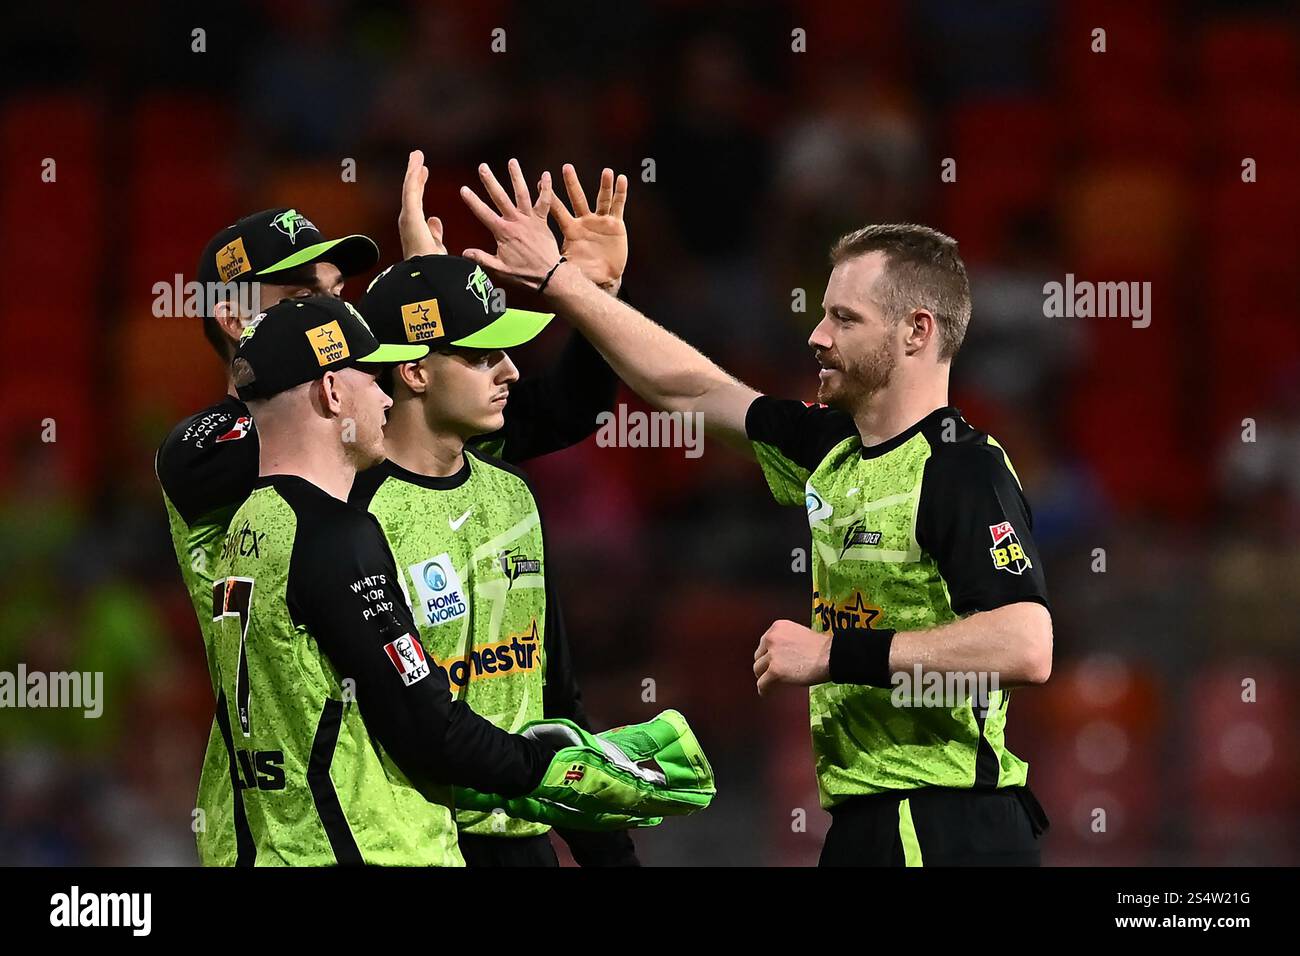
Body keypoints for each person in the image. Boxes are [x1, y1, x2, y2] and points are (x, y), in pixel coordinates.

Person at [457, 159, 1055, 866]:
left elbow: (1026, 644)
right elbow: (688, 390)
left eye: (845, 318)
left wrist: (834, 654)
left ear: (917, 331)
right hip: (871, 822)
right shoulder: (832, 445)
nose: (817, 337)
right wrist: (579, 290)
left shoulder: (960, 466)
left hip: (944, 823)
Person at [156, 152, 620, 865]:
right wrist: (418, 330)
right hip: (291, 822)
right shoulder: (209, 453)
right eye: (305, 294)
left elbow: (547, 411)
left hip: (412, 819)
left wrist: (590, 298)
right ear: (233, 317)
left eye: (339, 288)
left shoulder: (376, 448)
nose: (336, 307)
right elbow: (301, 423)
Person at [212, 295, 662, 865]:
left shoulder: (246, 525)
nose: (383, 397)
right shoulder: (338, 535)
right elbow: (428, 723)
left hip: (277, 843)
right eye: (371, 378)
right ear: (331, 393)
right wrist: (558, 771)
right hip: (358, 847)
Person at [353, 245, 636, 866]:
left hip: (525, 843)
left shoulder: (515, 495)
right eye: (483, 357)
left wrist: (611, 857)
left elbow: (556, 698)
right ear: (415, 372)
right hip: (411, 847)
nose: (510, 371)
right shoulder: (353, 517)